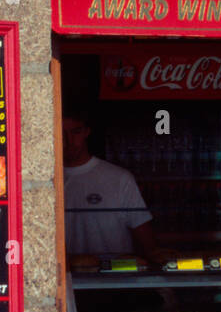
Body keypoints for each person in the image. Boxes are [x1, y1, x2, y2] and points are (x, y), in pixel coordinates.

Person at [62, 113, 159, 264]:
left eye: (76, 132)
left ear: (87, 132)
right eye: (62, 134)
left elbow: (147, 241)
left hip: (114, 279)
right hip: (64, 281)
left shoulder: (119, 178)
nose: (68, 141)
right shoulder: (43, 182)